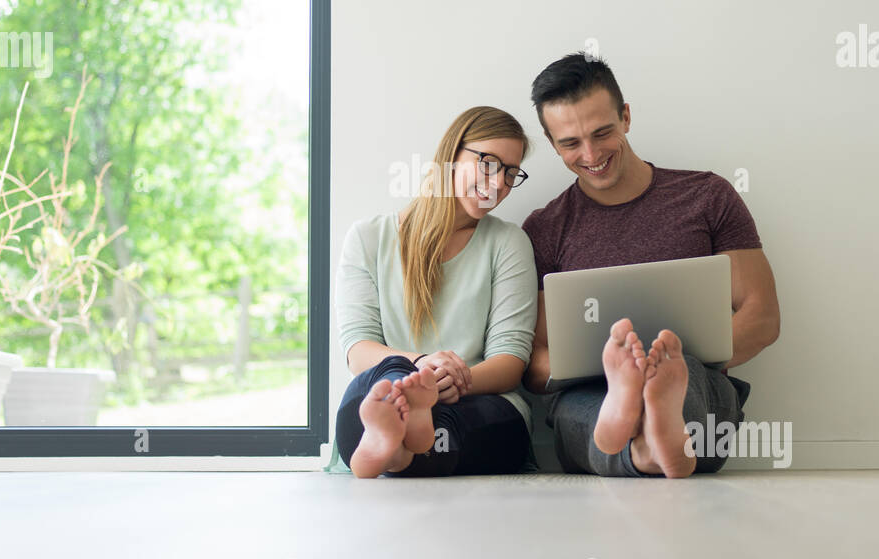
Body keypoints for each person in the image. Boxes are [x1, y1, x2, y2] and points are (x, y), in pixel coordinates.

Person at [521, 52, 781, 477]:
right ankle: (652, 443)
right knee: (586, 408)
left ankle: (651, 422)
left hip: (698, 381)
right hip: (592, 392)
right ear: (552, 144)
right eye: (570, 143)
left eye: (602, 132)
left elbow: (762, 316)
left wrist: (661, 363)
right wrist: (618, 370)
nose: (590, 153)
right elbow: (535, 362)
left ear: (625, 116)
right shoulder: (545, 229)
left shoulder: (707, 197)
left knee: (682, 377)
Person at [334, 106, 538, 478]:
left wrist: (452, 381)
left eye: (511, 173)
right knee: (379, 383)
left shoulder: (509, 242)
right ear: (451, 154)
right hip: (389, 386)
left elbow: (511, 361)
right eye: (489, 163)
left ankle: (395, 451)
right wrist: (419, 368)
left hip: (477, 398)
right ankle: (403, 426)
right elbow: (358, 350)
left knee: (482, 423)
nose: (499, 184)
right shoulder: (368, 238)